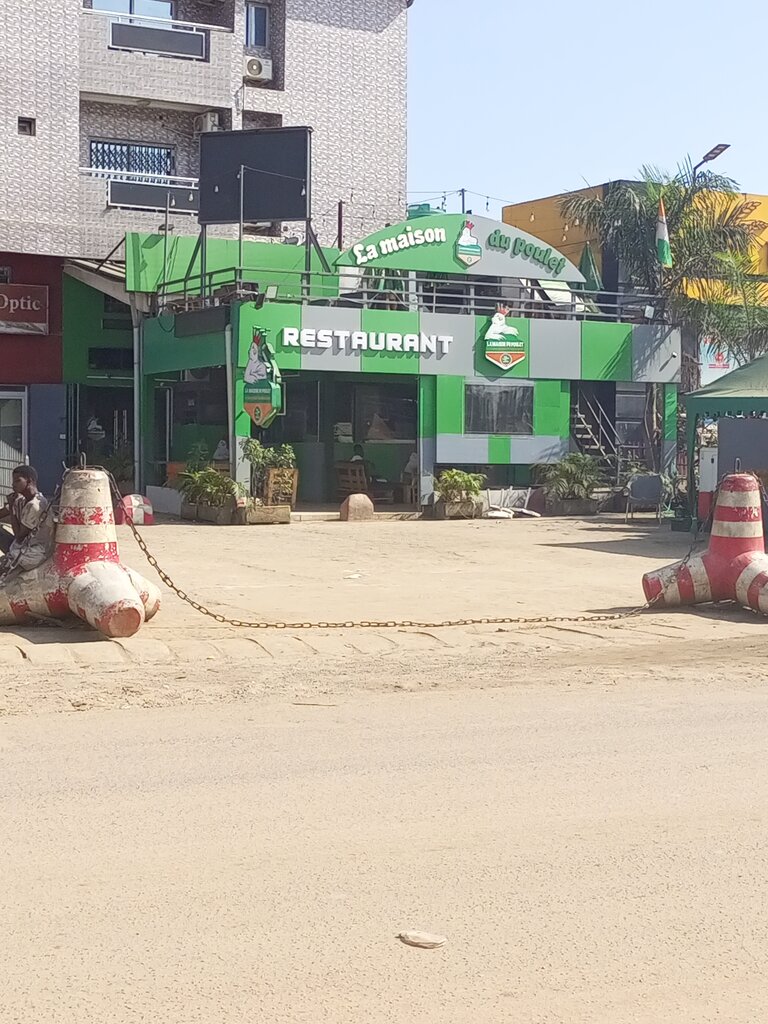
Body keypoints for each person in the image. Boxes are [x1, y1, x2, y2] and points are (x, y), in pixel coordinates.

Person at [0, 466, 55, 575]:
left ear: (29, 481)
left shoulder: (36, 505)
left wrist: (11, 508)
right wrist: (11, 506)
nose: (13, 484)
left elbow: (19, 537)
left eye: (17, 480)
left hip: (32, 552)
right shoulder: (21, 500)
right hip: (20, 546)